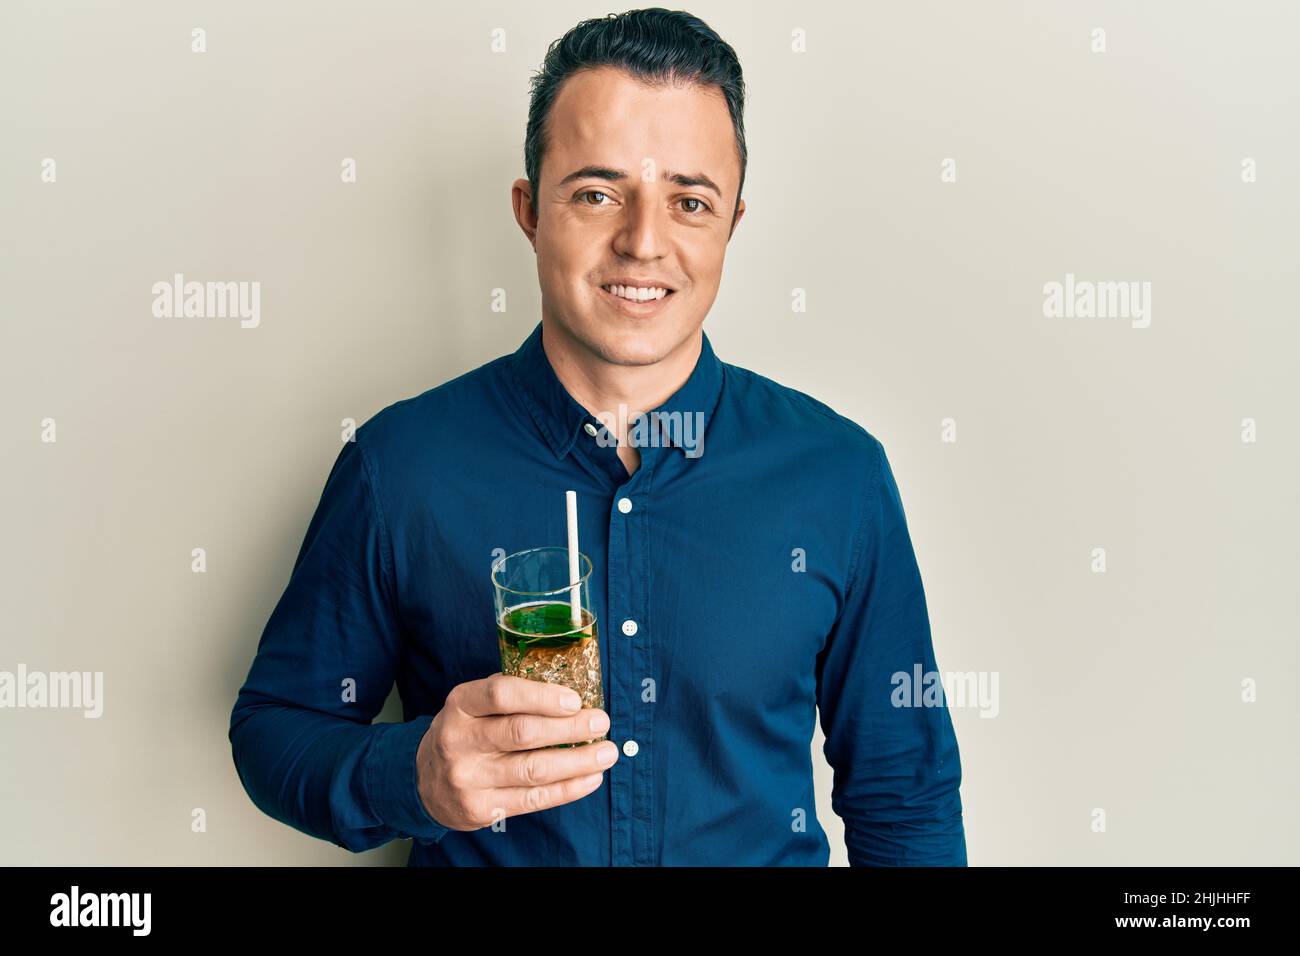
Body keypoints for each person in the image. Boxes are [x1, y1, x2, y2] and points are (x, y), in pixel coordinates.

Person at [229, 7, 967, 866]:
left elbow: (903, 798)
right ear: (530, 211)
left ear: (730, 224)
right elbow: (274, 727)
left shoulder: (840, 479)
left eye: (689, 202)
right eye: (596, 193)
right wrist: (412, 774)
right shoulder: (400, 466)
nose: (643, 243)